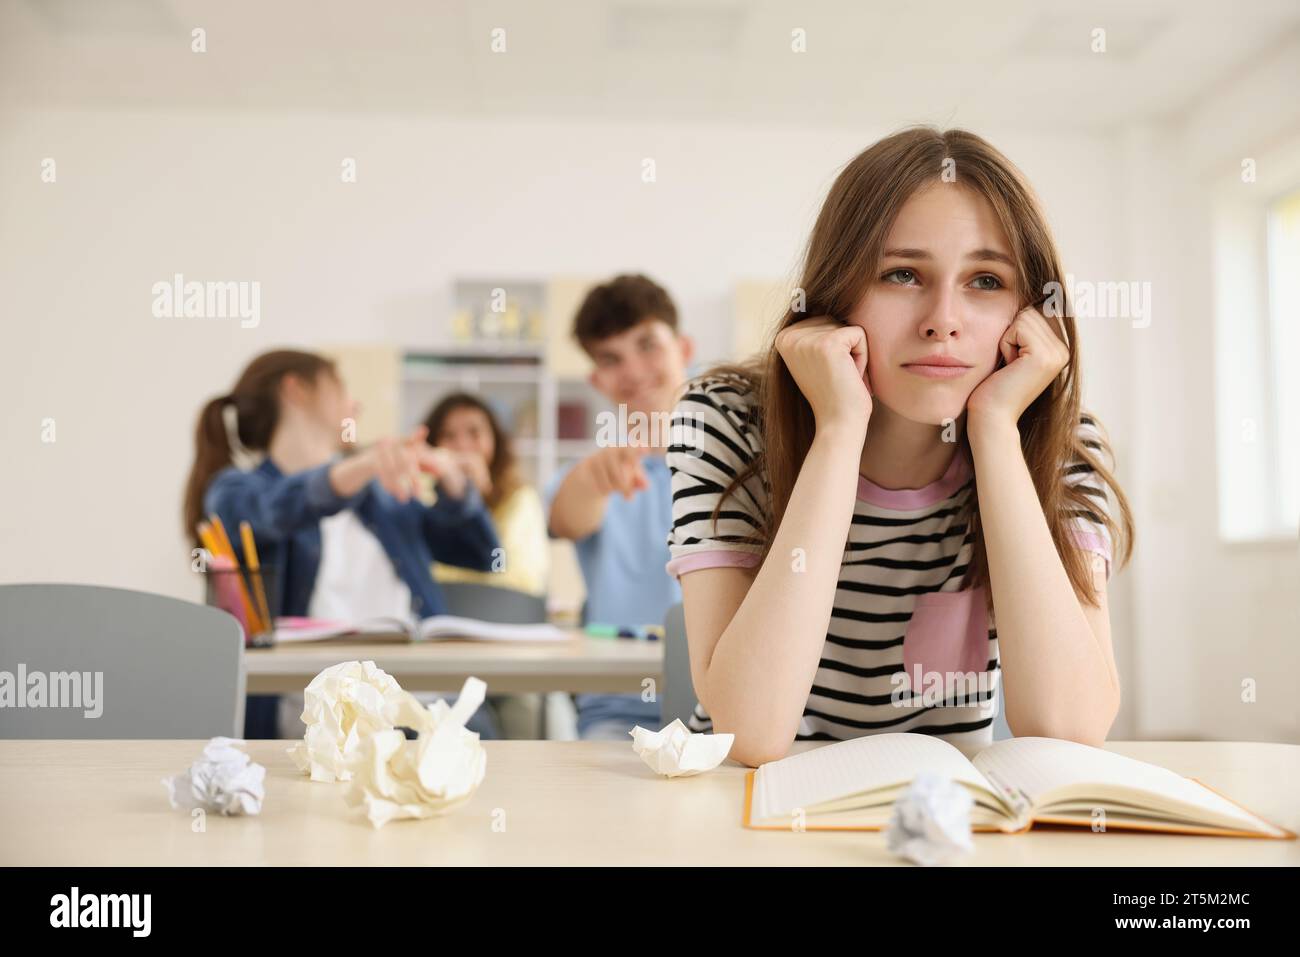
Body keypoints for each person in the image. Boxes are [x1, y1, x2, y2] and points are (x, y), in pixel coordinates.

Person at [664, 127, 1135, 767]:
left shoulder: (1056, 442)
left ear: (1029, 312)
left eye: (986, 281)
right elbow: (748, 734)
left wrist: (995, 431)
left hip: (934, 827)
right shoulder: (725, 419)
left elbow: (1068, 728)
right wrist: (837, 430)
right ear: (837, 292)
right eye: (903, 273)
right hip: (749, 816)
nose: (943, 319)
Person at [182, 349, 502, 738]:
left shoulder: (380, 495)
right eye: (342, 390)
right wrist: (361, 465)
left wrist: (455, 484)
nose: (356, 405)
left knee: (474, 735)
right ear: (295, 390)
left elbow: (483, 556)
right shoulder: (235, 490)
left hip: (416, 697)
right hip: (313, 713)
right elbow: (277, 508)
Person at [545, 274, 696, 739]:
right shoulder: (589, 475)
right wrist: (594, 478)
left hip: (727, 713)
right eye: (611, 358)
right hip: (619, 718)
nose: (632, 371)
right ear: (596, 380)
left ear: (684, 349)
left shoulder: (746, 464)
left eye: (647, 344)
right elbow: (568, 519)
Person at [424, 392, 549, 597]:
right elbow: (422, 571)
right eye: (448, 435)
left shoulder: (520, 500)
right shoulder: (422, 499)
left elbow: (516, 575)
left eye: (474, 433)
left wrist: (476, 501)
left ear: (495, 440)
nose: (462, 446)